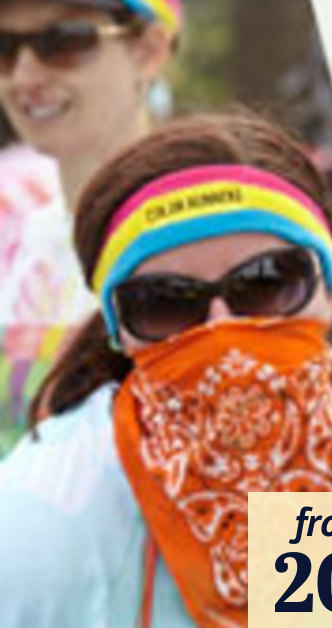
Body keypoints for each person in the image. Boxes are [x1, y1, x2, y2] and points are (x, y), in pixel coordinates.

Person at [0, 113, 332, 626]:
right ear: (117, 329)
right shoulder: (43, 519)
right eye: (165, 303)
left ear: (327, 288)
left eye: (266, 282)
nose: (222, 329)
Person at [0, 0, 181, 454]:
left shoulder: (215, 241)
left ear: (148, 49)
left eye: (65, 41)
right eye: (4, 47)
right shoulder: (19, 241)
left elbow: (292, 517)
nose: (24, 77)